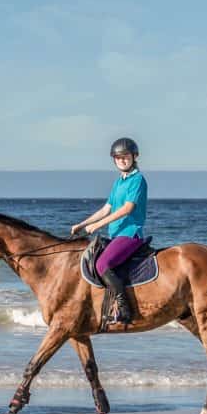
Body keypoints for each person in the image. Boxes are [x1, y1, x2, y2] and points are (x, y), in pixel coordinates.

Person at [71, 137, 148, 330]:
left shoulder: (137, 180)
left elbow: (127, 209)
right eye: (118, 157)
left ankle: (124, 308)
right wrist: (83, 224)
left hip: (131, 233)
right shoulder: (118, 182)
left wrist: (98, 226)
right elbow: (106, 208)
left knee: (102, 263)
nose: (122, 160)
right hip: (116, 234)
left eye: (126, 156)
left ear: (134, 157)